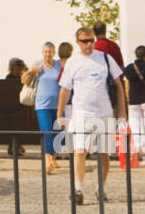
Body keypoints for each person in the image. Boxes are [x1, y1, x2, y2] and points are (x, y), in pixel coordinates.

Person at [56, 26, 126, 204]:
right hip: (81, 112)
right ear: (78, 42)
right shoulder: (73, 62)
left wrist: (123, 111)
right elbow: (65, 90)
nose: (89, 44)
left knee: (103, 153)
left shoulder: (105, 58)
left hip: (104, 112)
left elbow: (119, 84)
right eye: (85, 41)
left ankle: (100, 188)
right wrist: (60, 114)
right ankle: (77, 188)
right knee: (80, 150)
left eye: (91, 40)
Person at [26, 42, 62, 172]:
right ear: (42, 53)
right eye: (46, 51)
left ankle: (53, 157)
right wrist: (31, 71)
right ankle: (47, 160)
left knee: (57, 132)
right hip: (42, 105)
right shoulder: (38, 64)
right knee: (47, 131)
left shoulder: (58, 65)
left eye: (50, 51)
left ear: (54, 53)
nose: (48, 54)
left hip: (58, 105)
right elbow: (24, 80)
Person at [122, 45, 145, 156]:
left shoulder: (129, 68)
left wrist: (128, 99)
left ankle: (137, 147)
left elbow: (127, 85)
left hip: (133, 100)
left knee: (135, 124)